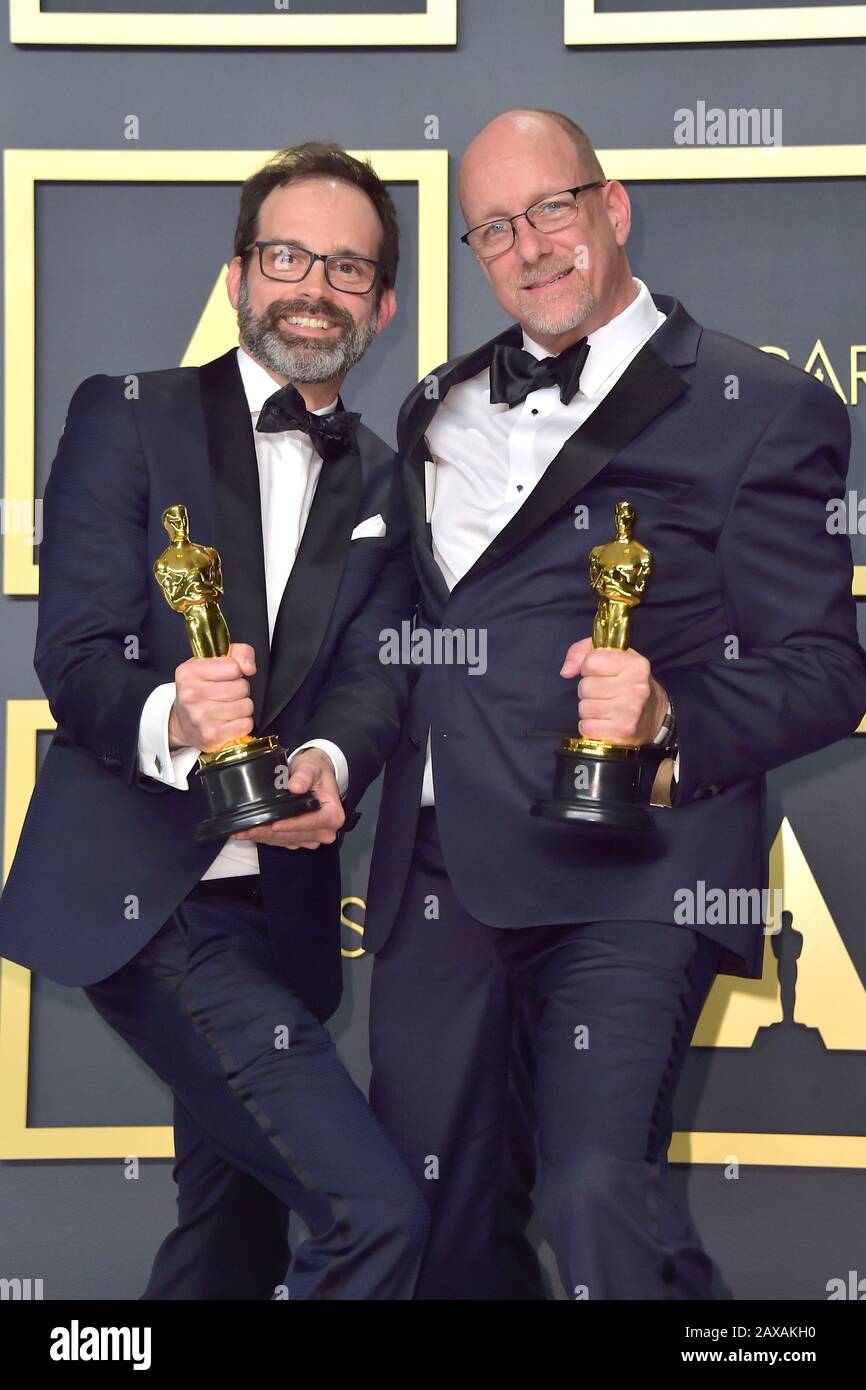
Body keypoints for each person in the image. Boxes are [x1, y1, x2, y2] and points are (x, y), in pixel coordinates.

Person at [361, 108, 866, 1300]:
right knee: (429, 1215)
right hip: (442, 873)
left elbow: (828, 668)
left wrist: (671, 713)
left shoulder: (759, 405)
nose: (528, 246)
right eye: (494, 227)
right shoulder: (434, 407)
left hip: (633, 871)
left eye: (550, 208)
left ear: (612, 205)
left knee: (596, 1197)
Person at [0, 141, 427, 1300]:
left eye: (346, 267)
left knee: (230, 1238)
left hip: (281, 919)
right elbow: (73, 655)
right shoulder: (125, 416)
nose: (313, 287)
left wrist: (332, 761)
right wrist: (172, 717)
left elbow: (377, 677)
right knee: (374, 1211)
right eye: (287, 254)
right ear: (238, 275)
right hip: (156, 905)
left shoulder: (390, 483)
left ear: (382, 305)